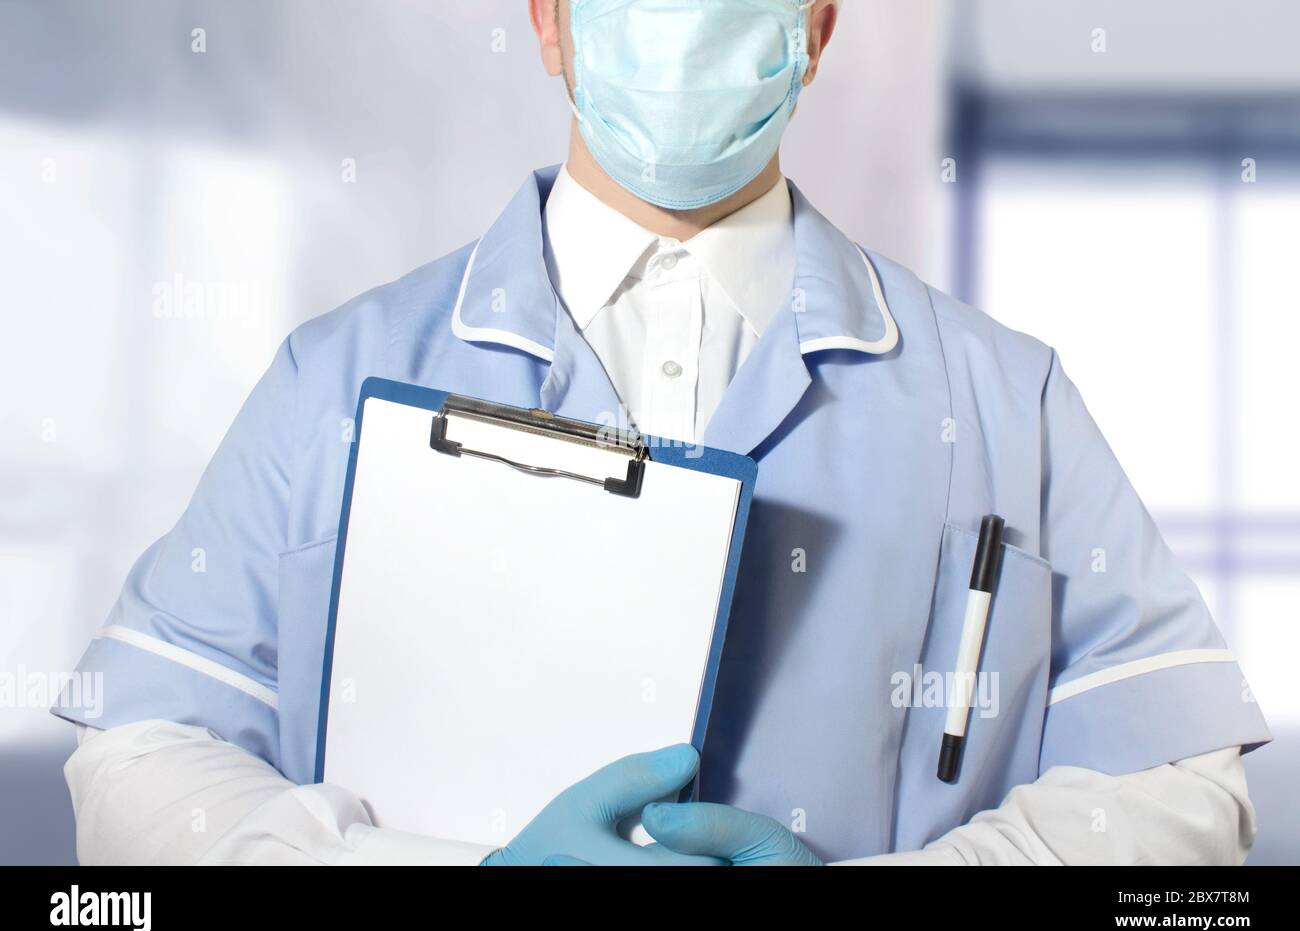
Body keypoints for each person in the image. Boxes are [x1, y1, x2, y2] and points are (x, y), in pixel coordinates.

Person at [54, 0, 1269, 865]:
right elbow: (136, 776)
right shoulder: (330, 381)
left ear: (817, 25)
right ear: (549, 21)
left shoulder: (1010, 400)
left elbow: (1185, 802)